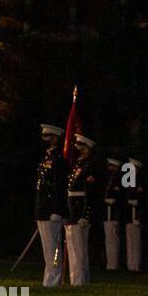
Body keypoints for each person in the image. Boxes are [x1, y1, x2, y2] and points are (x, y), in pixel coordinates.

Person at [34, 123, 68, 287]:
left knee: (53, 247)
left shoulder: (59, 160)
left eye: (46, 137)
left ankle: (54, 280)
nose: (43, 140)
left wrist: (57, 210)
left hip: (51, 211)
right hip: (43, 209)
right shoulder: (46, 158)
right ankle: (49, 279)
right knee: (47, 248)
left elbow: (60, 187)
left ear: (54, 138)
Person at [64, 134, 97, 285]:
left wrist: (86, 214)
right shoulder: (79, 165)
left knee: (79, 248)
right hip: (72, 209)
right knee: (73, 246)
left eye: (80, 147)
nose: (77, 150)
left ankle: (80, 279)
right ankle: (75, 278)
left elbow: (90, 193)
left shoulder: (90, 166)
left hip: (79, 210)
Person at [124, 158, 146, 272]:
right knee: (130, 240)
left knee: (136, 240)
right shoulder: (129, 180)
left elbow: (142, 199)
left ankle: (136, 264)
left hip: (136, 213)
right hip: (129, 214)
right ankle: (130, 264)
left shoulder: (140, 181)